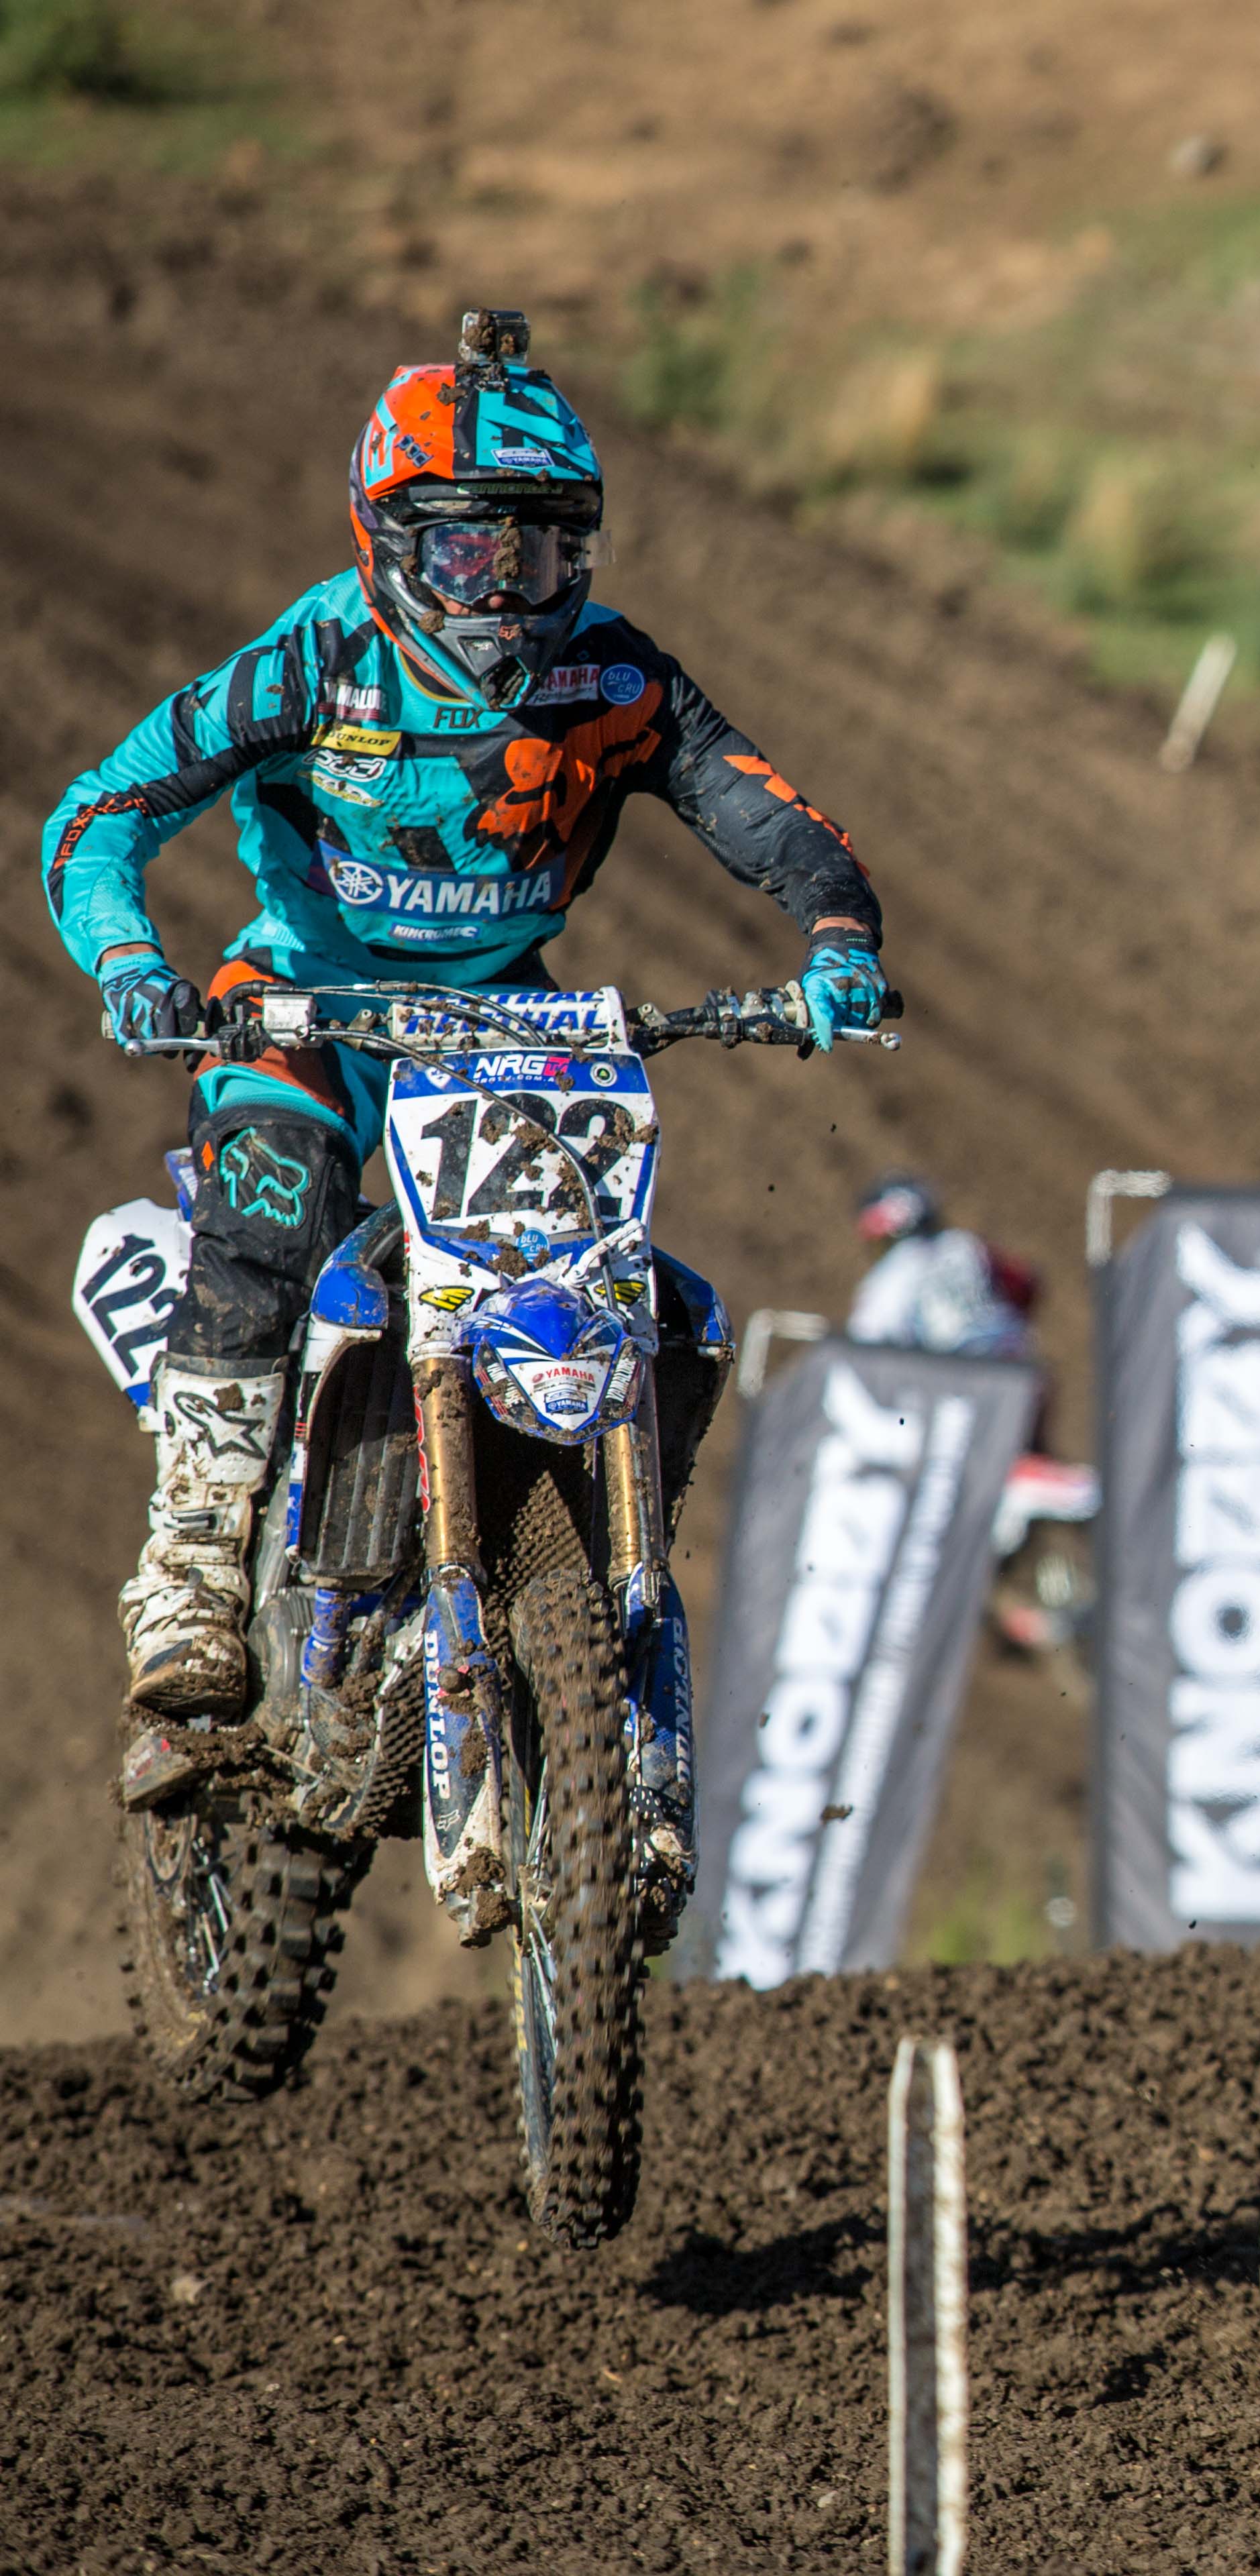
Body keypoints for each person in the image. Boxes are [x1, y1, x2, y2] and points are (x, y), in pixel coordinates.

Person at [42, 310, 887, 1811]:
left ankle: (555, 1535)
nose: (510, 590)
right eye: (467, 555)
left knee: (627, 1289)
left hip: (510, 1017)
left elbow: (769, 813)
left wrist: (834, 941)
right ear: (388, 540)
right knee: (268, 1218)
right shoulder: (312, 660)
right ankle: (188, 1576)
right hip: (303, 1006)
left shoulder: (614, 679)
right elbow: (103, 812)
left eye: (545, 553)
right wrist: (129, 962)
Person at [845, 1171, 1039, 1364]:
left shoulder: (897, 1270)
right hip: (1015, 1370)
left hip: (951, 1379)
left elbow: (868, 1337)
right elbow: (1025, 1286)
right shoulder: (968, 1246)